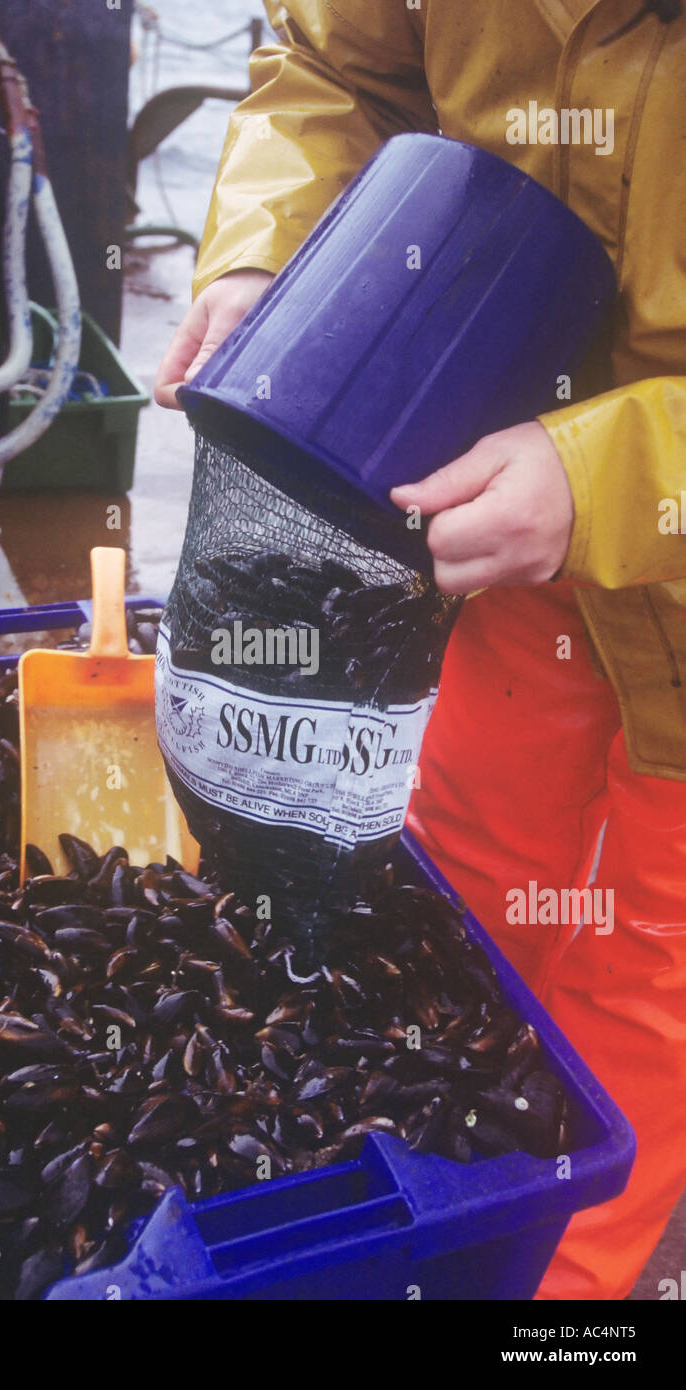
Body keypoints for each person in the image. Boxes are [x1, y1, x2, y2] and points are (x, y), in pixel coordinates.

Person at [155, 0, 686, 1300]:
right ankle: (426, 1215)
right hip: (496, 517)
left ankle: (557, 1284)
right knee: (467, 904)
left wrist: (605, 481)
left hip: (600, 506)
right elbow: (333, 64)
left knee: (656, 963)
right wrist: (264, 250)